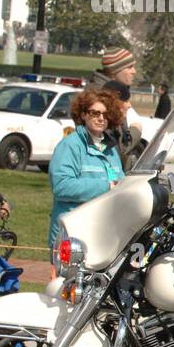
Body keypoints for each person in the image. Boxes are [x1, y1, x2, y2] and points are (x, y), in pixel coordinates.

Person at [48, 88, 124, 247]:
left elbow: (121, 182)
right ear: (82, 115)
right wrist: (106, 187)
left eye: (105, 114)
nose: (101, 118)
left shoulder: (111, 150)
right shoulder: (70, 146)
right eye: (95, 113)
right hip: (72, 235)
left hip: (102, 233)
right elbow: (62, 186)